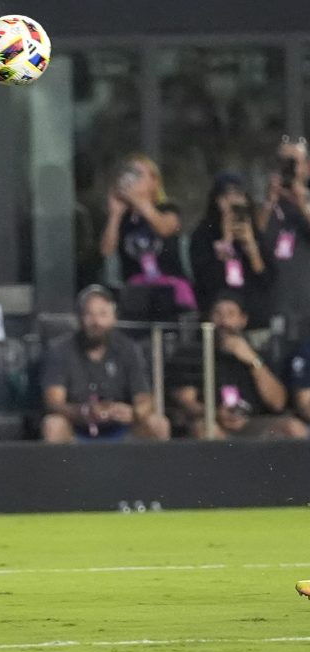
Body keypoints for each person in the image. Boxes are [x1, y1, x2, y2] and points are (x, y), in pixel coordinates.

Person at [168, 293, 308, 440]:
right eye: (218, 313)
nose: (224, 321)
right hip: (212, 420)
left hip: (252, 422)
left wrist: (252, 360)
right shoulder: (191, 353)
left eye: (230, 314)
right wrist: (216, 413)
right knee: (206, 429)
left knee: (294, 428)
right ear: (209, 318)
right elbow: (186, 401)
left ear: (243, 320)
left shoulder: (257, 353)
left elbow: (277, 403)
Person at [39, 285, 170, 443]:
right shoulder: (60, 350)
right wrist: (84, 412)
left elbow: (145, 398)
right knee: (53, 424)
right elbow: (53, 402)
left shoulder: (129, 349)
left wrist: (133, 412)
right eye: (89, 314)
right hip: (77, 427)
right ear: (79, 318)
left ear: (114, 317)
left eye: (103, 314)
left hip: (120, 428)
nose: (96, 322)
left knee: (158, 424)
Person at [99, 153, 193, 308]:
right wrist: (115, 214)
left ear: (154, 181)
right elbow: (106, 251)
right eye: (129, 174)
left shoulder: (168, 209)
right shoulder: (124, 217)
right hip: (136, 289)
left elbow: (165, 228)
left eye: (138, 175)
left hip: (169, 287)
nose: (132, 180)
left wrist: (140, 201)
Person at [188, 172, 274, 323]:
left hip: (251, 315)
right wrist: (226, 240)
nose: (233, 202)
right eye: (227, 197)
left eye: (238, 196)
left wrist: (251, 247)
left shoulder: (255, 232)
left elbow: (267, 279)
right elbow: (205, 279)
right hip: (218, 315)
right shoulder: (203, 234)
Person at [259, 137, 310, 323]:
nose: (288, 168)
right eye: (283, 162)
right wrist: (269, 202)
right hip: (275, 305)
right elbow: (255, 240)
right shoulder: (266, 204)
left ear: (307, 167)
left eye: (293, 162)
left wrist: (302, 205)